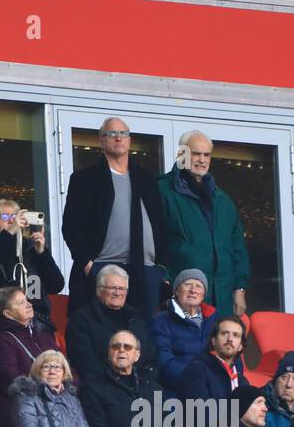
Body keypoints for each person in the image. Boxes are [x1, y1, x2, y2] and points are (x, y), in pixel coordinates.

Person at [61, 116, 166, 316]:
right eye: (112, 133)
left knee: (142, 338)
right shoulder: (85, 179)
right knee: (100, 334)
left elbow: (161, 226)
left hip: (145, 270)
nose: (118, 138)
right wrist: (88, 264)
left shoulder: (147, 180)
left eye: (123, 133)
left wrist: (161, 269)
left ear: (130, 140)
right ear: (101, 140)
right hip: (102, 267)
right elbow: (71, 226)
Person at [158, 132, 250, 317]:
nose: (202, 160)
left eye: (206, 155)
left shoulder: (223, 201)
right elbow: (151, 241)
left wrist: (240, 289)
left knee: (219, 346)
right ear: (181, 154)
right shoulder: (162, 191)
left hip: (222, 298)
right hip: (183, 294)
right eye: (196, 154)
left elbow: (237, 249)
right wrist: (164, 283)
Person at [0, 292, 62, 427]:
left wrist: (67, 387)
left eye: (27, 300)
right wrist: (45, 387)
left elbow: (67, 370)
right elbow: (9, 376)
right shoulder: (2, 340)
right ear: (7, 313)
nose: (29, 304)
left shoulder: (44, 336)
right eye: (20, 303)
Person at [64, 266, 160, 383]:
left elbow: (151, 360)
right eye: (112, 288)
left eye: (122, 288)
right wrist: (120, 383)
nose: (118, 293)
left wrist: (143, 382)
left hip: (141, 386)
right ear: (99, 290)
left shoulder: (137, 319)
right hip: (102, 388)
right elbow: (85, 365)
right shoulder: (81, 320)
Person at [0, 200, 63, 326]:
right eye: (5, 216)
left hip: (38, 319)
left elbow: (56, 285)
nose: (11, 221)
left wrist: (41, 252)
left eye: (15, 216)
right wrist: (10, 232)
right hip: (3, 321)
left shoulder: (28, 247)